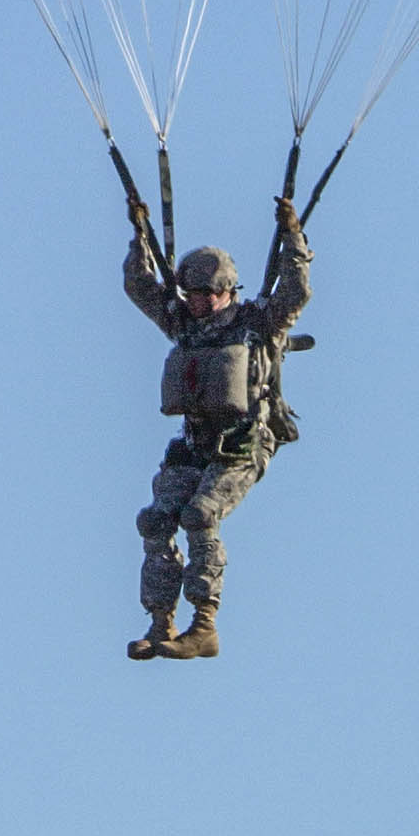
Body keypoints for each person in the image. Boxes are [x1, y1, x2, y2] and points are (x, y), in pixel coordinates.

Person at [121, 180, 311, 660]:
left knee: (200, 514)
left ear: (226, 292)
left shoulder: (257, 323)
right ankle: (160, 623)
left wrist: (293, 238)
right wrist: (139, 237)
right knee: (156, 518)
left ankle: (203, 624)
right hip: (195, 442)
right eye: (190, 293)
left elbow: (295, 291)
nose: (196, 302)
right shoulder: (183, 322)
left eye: (205, 294)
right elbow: (139, 287)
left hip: (245, 443)